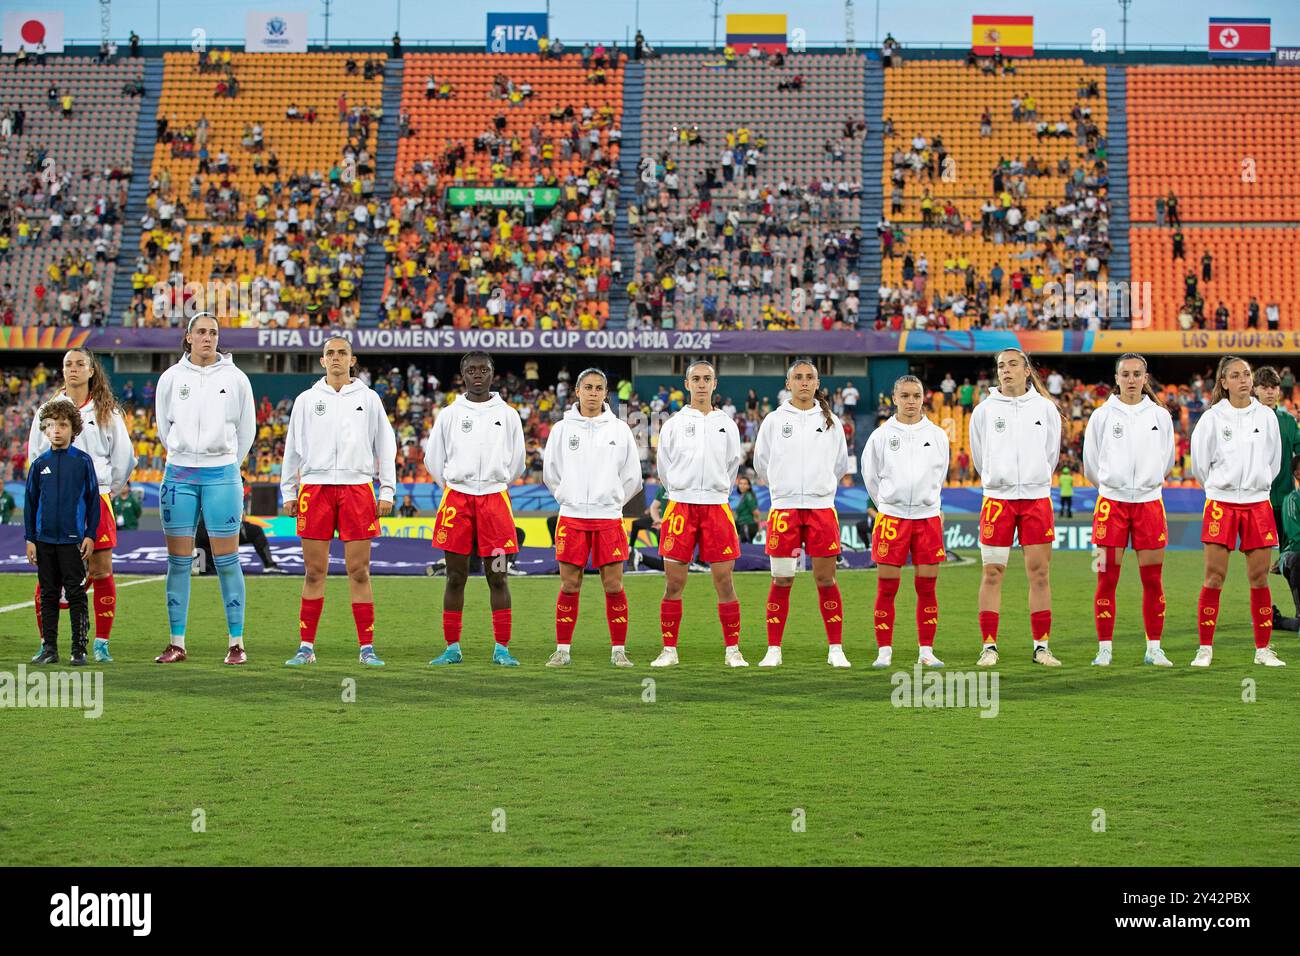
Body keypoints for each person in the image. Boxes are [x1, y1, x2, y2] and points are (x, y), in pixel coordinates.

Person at [282, 336, 398, 667]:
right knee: (314, 571)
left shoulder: (369, 398)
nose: (335, 358)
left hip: (357, 488)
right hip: (316, 488)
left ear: (352, 360)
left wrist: (386, 489)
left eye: (341, 353)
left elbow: (384, 446)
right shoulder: (306, 399)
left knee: (359, 570)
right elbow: (293, 447)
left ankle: (366, 647)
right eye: (330, 353)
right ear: (322, 361)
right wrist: (289, 491)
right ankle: (306, 647)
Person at [154, 313, 256, 665]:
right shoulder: (170, 378)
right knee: (178, 562)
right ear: (188, 338)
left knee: (228, 561)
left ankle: (236, 644)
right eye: (201, 332)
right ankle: (176, 643)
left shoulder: (236, 378)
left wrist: (225, 461)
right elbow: (163, 428)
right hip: (179, 474)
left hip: (222, 475)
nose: (207, 337)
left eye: (213, 332)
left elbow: (247, 430)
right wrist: (185, 454)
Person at [28, 348, 136, 663]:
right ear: (62, 371)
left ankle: (101, 643)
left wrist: (104, 491)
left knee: (101, 572)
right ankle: (46, 642)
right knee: (48, 576)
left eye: (80, 364)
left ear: (91, 371)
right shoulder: (46, 411)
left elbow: (124, 459)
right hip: (55, 503)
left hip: (97, 498)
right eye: (68, 364)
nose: (73, 369)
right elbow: (37, 455)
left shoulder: (108, 412)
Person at [424, 351, 526, 666]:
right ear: (463, 374)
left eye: (483, 369)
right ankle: (452, 647)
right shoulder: (450, 414)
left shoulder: (508, 414)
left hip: (494, 501)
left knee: (498, 577)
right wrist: (459, 484)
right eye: (471, 369)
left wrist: (493, 483)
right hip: (458, 500)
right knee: (455, 577)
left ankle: (502, 648)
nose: (477, 374)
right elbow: (433, 460)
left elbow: (518, 461)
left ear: (492, 374)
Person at [752, 359, 851, 668]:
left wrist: (819, 488)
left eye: (810, 377)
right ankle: (773, 649)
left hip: (821, 509)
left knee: (825, 579)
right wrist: (786, 488)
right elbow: (761, 463)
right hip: (785, 508)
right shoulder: (773, 420)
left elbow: (839, 465)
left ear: (817, 383)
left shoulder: (830, 421)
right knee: (781, 579)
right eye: (798, 377)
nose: (804, 382)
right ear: (788, 383)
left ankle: (835, 648)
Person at [968, 348, 1064, 667]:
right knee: (992, 572)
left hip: (1036, 499)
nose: (1005, 371)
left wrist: (1034, 479)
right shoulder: (984, 411)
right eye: (1000, 366)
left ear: (1026, 370)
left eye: (1012, 365)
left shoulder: (1045, 409)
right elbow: (980, 457)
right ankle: (989, 646)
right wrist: (1000, 480)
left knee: (1039, 573)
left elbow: (1051, 453)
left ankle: (1041, 646)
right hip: (998, 500)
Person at [542, 368, 642, 667]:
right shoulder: (562, 429)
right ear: (577, 391)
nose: (593, 393)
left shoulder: (620, 429)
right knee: (569, 584)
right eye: (588, 387)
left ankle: (618, 650)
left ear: (606, 392)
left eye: (599, 388)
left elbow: (632, 477)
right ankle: (562, 650)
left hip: (608, 518)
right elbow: (551, 473)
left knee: (613, 585)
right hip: (571, 517)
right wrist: (567, 498)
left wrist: (611, 503)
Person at [1082, 353, 1176, 667]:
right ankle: (1104, 649)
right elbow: (1091, 464)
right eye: (1126, 374)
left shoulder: (1160, 416)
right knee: (1105, 578)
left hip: (1150, 504)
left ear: (1146, 378)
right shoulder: (1102, 416)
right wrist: (1114, 486)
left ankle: (1154, 648)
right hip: (1110, 505)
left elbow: (1167, 461)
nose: (1132, 380)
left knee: (1153, 579)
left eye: (1137, 374)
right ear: (1117, 378)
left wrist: (1146, 483)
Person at [1190, 355, 1284, 666]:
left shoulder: (1266, 417)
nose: (1244, 379)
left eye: (1247, 374)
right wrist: (1222, 488)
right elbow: (1200, 466)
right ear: (1224, 383)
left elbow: (1274, 463)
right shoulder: (1213, 418)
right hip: (1222, 504)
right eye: (1236, 375)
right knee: (1214, 577)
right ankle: (1205, 648)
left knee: (1259, 578)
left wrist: (1257, 488)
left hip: (1257, 504)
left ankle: (1262, 650)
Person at [651, 359, 745, 667]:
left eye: (707, 379)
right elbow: (664, 469)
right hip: (681, 506)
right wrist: (683, 491)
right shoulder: (674, 424)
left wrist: (715, 492)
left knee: (724, 581)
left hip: (717, 506)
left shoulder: (727, 424)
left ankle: (732, 650)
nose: (702, 384)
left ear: (715, 384)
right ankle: (669, 650)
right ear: (686, 384)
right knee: (674, 583)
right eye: (697, 379)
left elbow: (732, 466)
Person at [861, 375, 949, 669]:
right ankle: (884, 651)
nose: (911, 401)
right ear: (894, 398)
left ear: (923, 398)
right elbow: (870, 477)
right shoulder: (881, 436)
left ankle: (926, 650)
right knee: (887, 587)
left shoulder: (936, 435)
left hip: (926, 520)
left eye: (916, 395)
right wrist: (888, 503)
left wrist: (928, 504)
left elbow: (940, 476)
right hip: (892, 519)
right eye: (905, 396)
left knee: (927, 588)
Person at [26, 398, 100, 666]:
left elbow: (93, 501)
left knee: (76, 594)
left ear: (73, 429)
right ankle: (49, 648)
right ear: (45, 430)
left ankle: (79, 649)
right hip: (44, 540)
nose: (57, 430)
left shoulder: (82, 462)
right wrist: (30, 539)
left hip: (72, 542)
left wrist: (90, 534)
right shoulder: (39, 464)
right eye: (52, 425)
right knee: (48, 595)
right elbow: (30, 503)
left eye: (63, 424)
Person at [1251, 366, 1300, 553]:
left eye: (1274, 387)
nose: (1270, 391)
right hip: (1257, 497)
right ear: (1255, 389)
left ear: (1279, 390)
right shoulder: (1247, 419)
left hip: (1285, 495)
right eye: (1264, 387)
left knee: (1289, 552)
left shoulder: (1288, 420)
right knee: (1257, 551)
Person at [1272, 456, 1300, 632]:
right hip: (1292, 556)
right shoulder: (1292, 500)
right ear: (1297, 474)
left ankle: (1277, 620)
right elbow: (1296, 538)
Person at [733, 476, 759, 543]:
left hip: (747, 526)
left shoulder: (748, 496)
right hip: (742, 525)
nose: (742, 485)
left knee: (746, 548)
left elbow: (755, 512)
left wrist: (758, 526)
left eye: (745, 484)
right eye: (740, 483)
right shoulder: (743, 496)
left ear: (749, 486)